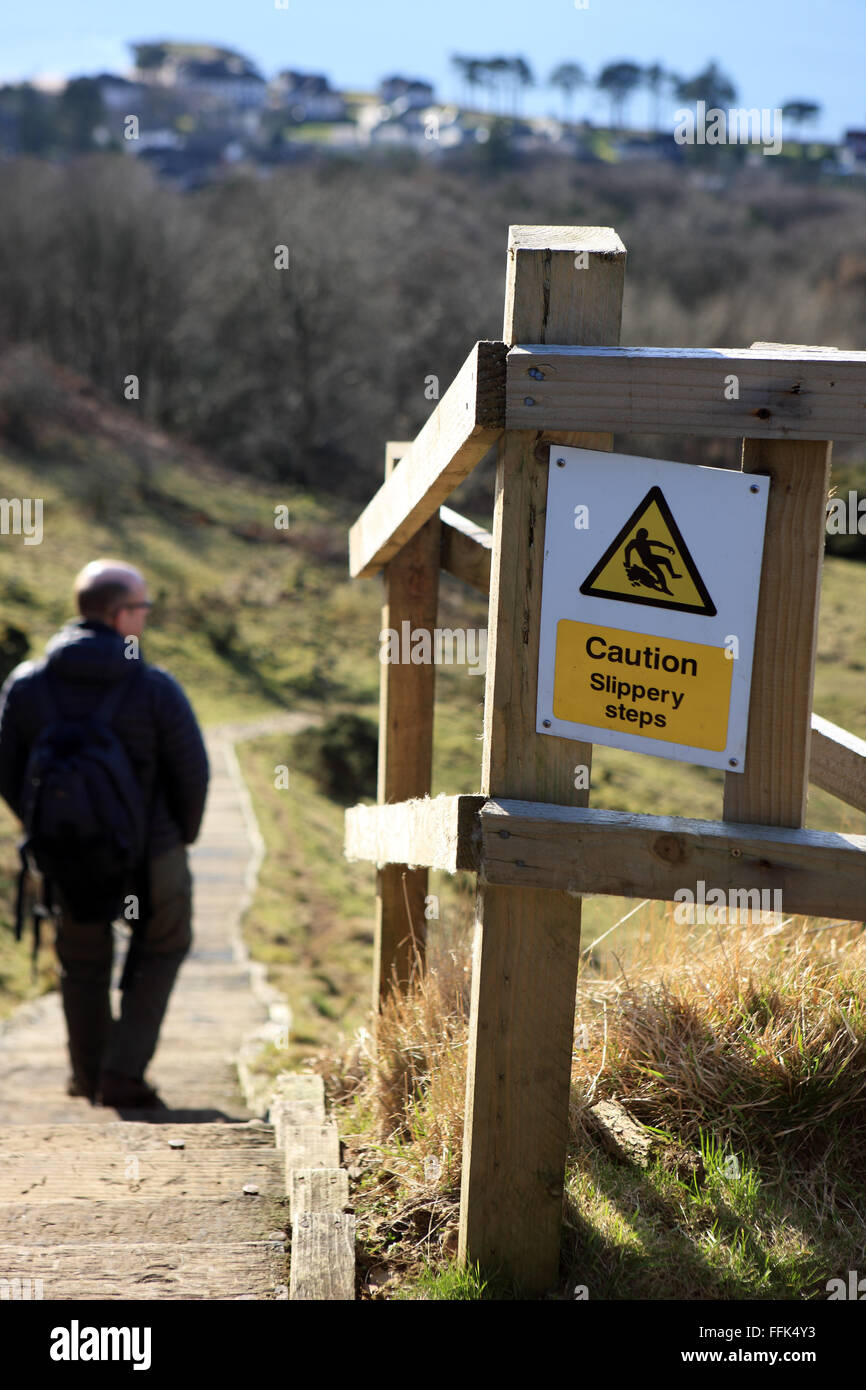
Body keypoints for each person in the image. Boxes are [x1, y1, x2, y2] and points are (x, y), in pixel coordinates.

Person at [0, 560, 209, 1108]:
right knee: (164, 944)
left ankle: (91, 1075)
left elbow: (8, 772)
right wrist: (177, 839)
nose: (146, 617)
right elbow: (192, 773)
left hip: (68, 858)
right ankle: (123, 1073)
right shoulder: (154, 686)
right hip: (152, 853)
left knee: (83, 962)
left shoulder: (27, 685)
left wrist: (49, 830)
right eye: (142, 608)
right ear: (120, 615)